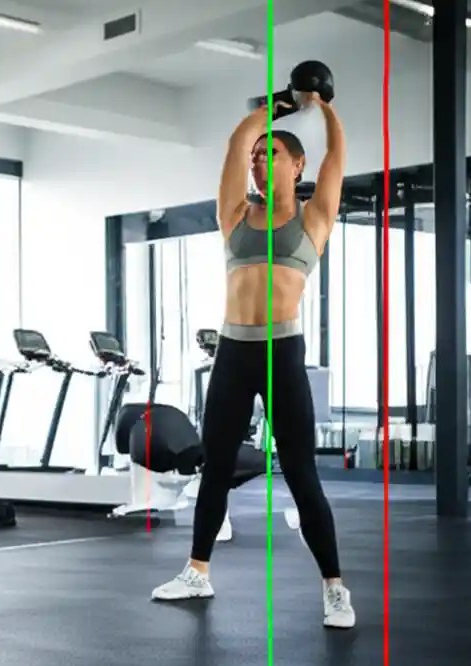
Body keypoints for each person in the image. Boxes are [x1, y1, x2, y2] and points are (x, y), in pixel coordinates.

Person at [150, 92, 356, 630]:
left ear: (297, 164)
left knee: (302, 473)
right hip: (233, 352)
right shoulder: (235, 215)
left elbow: (337, 155)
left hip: (282, 352)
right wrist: (269, 115)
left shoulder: (313, 220)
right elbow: (235, 142)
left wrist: (321, 107)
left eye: (272, 155)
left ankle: (334, 588)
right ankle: (197, 571)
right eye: (256, 157)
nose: (260, 162)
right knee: (215, 465)